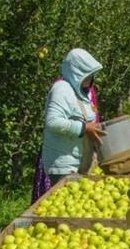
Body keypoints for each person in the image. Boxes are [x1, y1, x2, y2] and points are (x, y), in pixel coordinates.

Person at [37, 48, 103, 198]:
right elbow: (53, 121)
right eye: (88, 75)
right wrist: (84, 128)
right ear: (77, 73)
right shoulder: (62, 89)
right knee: (65, 204)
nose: (91, 79)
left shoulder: (79, 92)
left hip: (78, 162)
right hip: (64, 164)